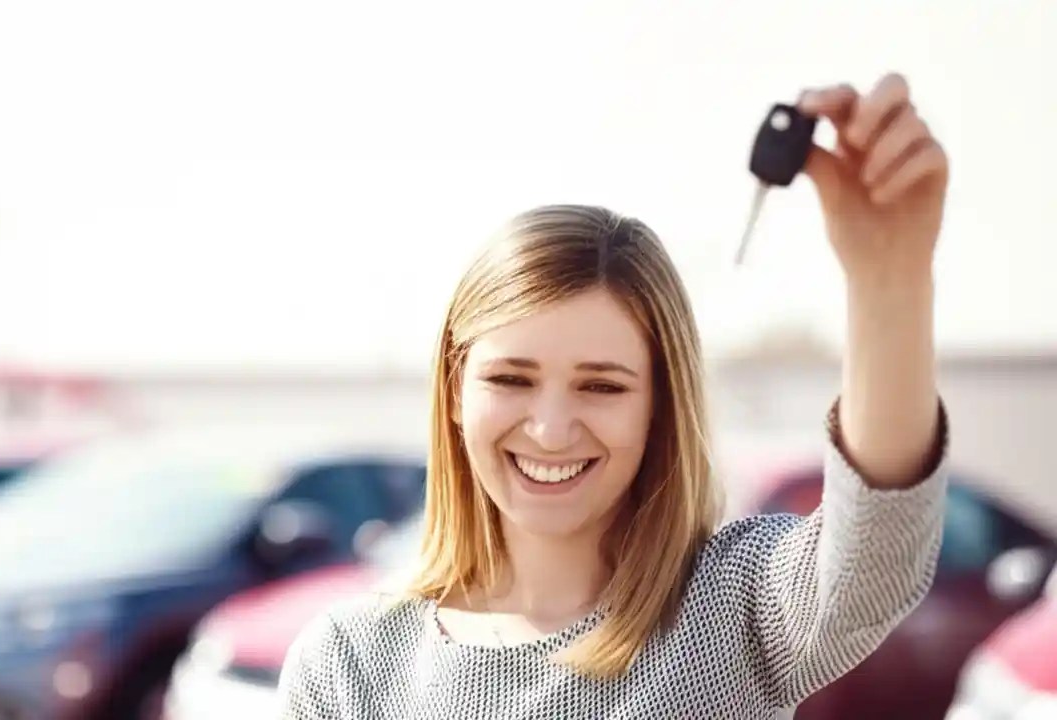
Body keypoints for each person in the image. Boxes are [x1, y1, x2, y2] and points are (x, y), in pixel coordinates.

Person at [276, 74, 951, 719]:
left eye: (601, 386)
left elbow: (875, 554)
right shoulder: (347, 662)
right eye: (511, 379)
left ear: (658, 406)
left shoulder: (733, 607)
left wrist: (889, 279)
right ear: (454, 390)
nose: (549, 428)